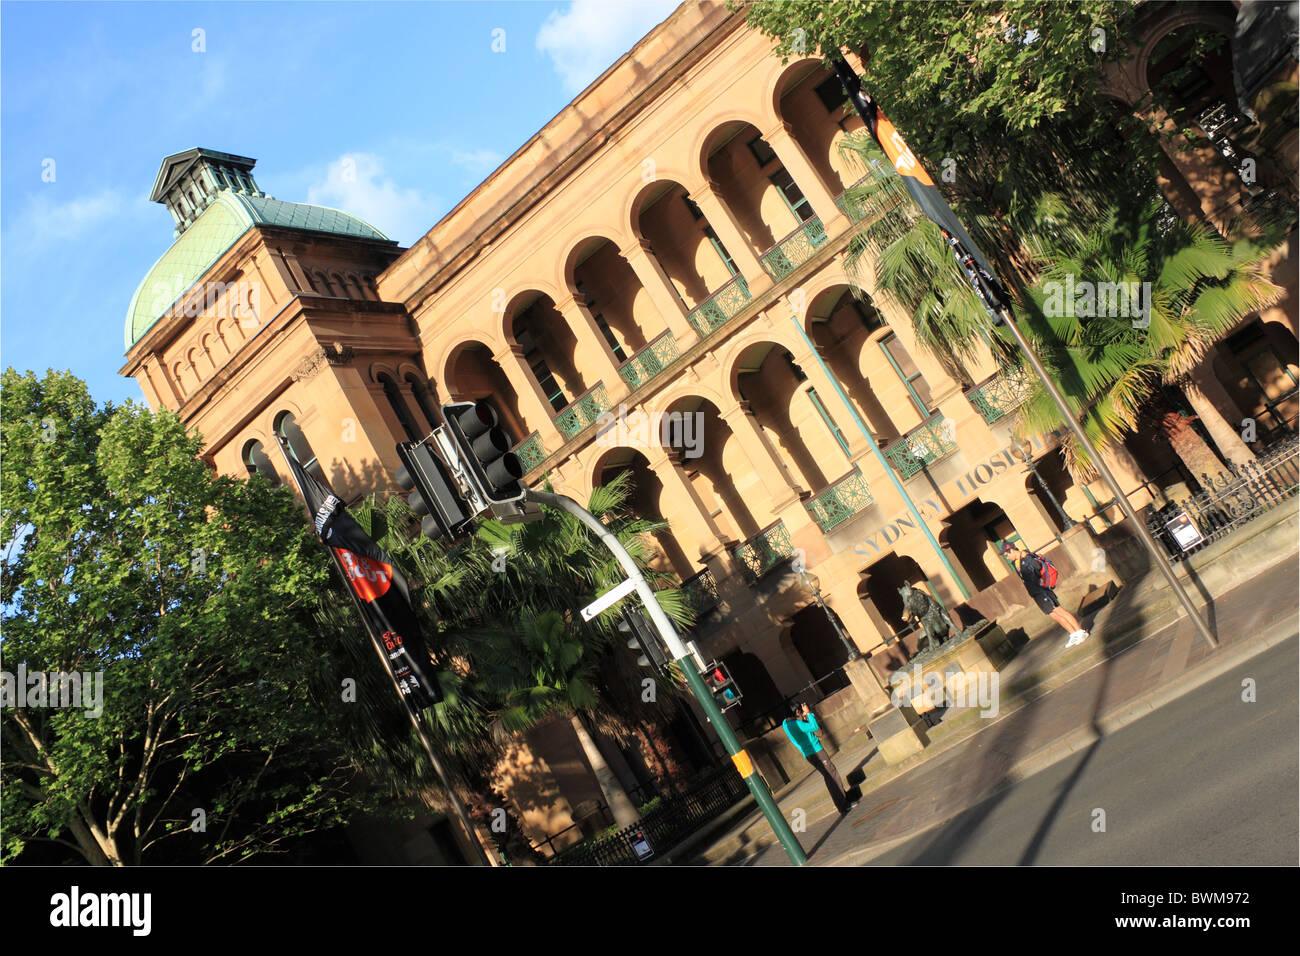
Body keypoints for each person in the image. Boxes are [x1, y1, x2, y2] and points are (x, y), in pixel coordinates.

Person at [1002, 541, 1090, 647]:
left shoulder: (1027, 556)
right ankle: (1073, 634)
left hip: (1042, 590)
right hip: (1036, 594)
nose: (1007, 557)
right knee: (1053, 614)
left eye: (1007, 555)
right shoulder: (1016, 563)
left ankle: (1080, 632)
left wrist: (1027, 558)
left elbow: (1038, 567)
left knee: (1059, 611)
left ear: (1011, 550)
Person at [782, 701, 855, 814]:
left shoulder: (785, 724)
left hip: (808, 754)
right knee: (832, 774)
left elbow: (804, 728)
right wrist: (809, 713)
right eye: (800, 712)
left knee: (828, 775)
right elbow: (814, 727)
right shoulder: (798, 724)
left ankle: (841, 799)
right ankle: (843, 805)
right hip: (816, 751)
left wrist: (804, 717)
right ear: (796, 712)